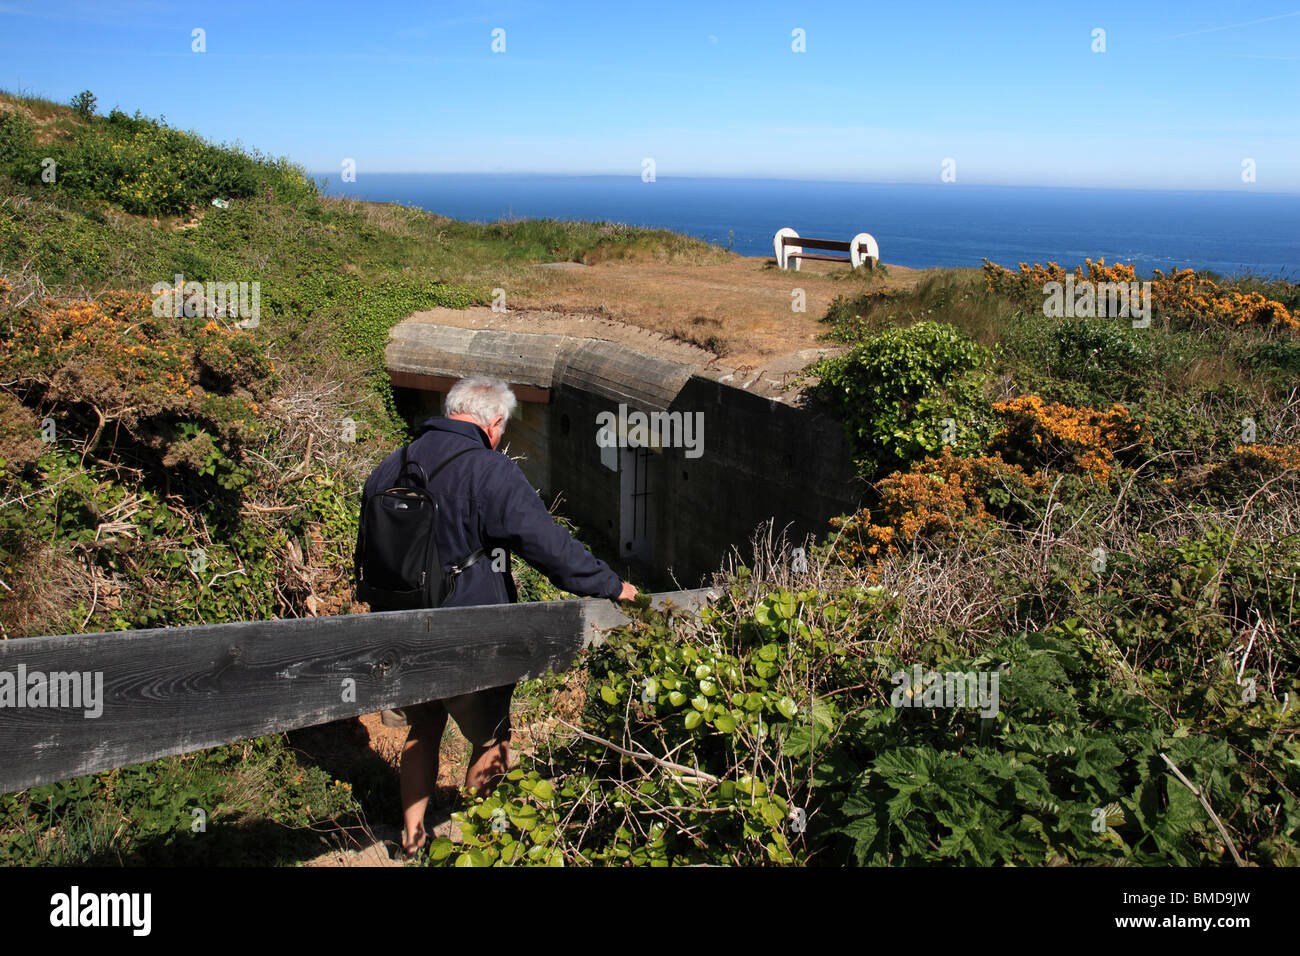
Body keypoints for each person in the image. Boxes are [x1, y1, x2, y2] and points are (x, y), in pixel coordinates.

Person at [360, 375, 638, 858]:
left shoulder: (390, 464)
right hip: (469, 633)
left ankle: (411, 839)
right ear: (494, 423)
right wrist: (612, 585)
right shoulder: (489, 470)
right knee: (491, 737)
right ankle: (475, 843)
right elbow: (548, 547)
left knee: (422, 727)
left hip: (397, 632)